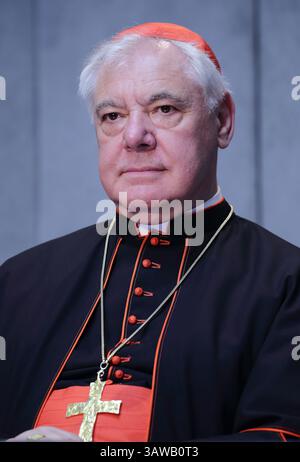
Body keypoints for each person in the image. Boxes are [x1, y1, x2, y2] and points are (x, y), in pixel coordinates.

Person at [1, 21, 300, 443]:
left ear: (223, 121)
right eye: (112, 116)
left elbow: (281, 437)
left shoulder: (287, 281)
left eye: (164, 109)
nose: (134, 136)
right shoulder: (18, 281)